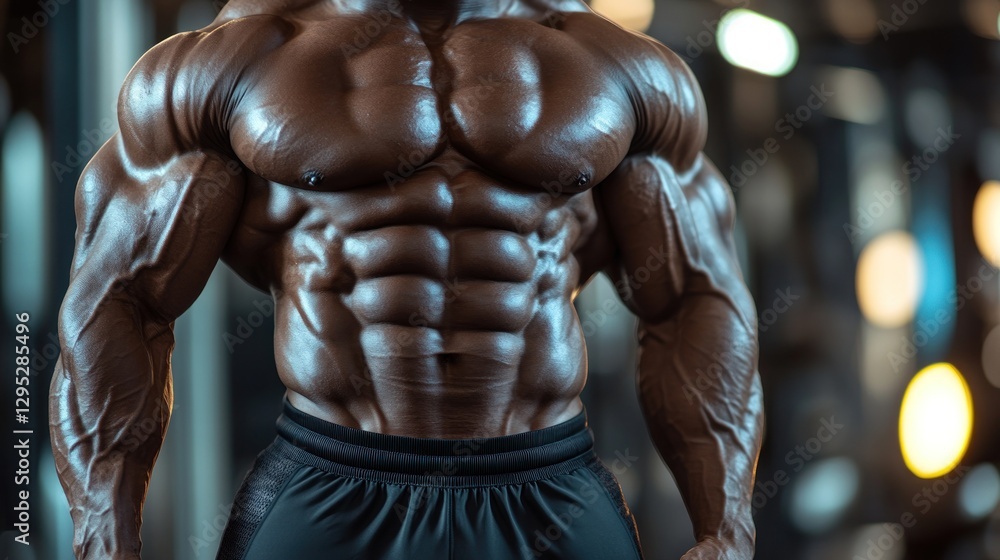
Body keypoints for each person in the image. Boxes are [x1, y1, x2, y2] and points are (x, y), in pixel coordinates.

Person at [50, 0, 764, 558]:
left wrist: (727, 528)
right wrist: (105, 540)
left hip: (549, 483)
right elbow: (122, 301)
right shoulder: (234, 61)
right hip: (329, 480)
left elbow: (693, 301)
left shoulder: (619, 67)